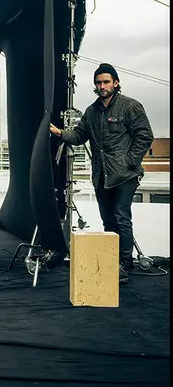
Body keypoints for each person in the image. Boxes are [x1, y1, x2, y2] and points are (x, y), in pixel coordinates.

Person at [49, 63, 153, 283]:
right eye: (98, 82)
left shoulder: (130, 106)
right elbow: (79, 136)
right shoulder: (91, 111)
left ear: (116, 83)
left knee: (121, 217)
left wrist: (129, 161)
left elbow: (145, 136)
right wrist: (59, 133)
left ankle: (125, 264)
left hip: (125, 175)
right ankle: (114, 263)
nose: (102, 86)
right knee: (108, 221)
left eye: (106, 82)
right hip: (101, 175)